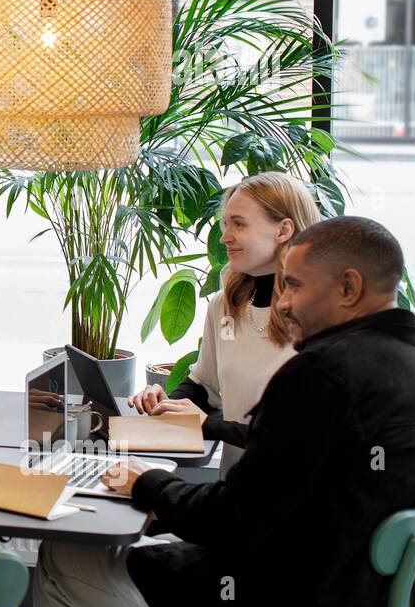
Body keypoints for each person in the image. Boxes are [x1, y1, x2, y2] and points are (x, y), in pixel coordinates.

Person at [35, 216, 415, 607]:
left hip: (271, 606)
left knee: (64, 554)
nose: (282, 303)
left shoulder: (320, 375)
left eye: (294, 285)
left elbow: (232, 519)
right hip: (355, 603)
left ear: (349, 287)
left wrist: (147, 483)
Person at [129, 173, 321, 474]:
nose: (224, 237)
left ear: (284, 229)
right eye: (225, 224)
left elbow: (301, 437)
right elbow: (204, 387)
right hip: (235, 491)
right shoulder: (224, 305)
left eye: (239, 224)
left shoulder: (321, 317)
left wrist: (210, 425)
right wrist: (168, 403)